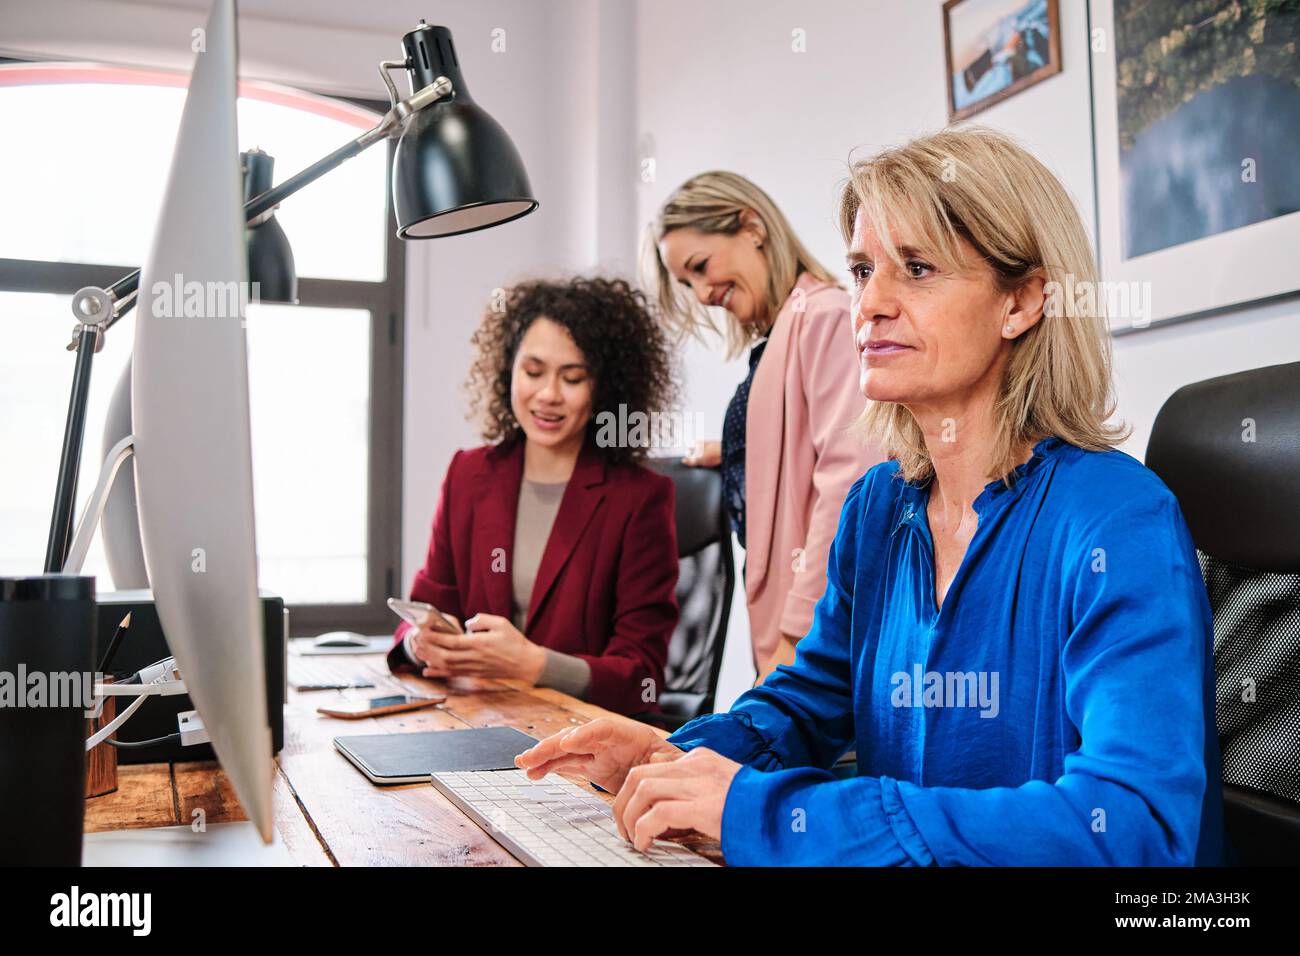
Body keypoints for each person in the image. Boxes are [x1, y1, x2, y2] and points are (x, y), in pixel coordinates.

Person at [516, 127, 1228, 865]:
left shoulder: (1120, 520)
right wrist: (673, 755)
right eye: (861, 269)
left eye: (916, 268)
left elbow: (1132, 824)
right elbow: (809, 700)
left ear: (1021, 301)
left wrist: (770, 814)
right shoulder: (879, 508)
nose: (870, 304)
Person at [388, 277, 680, 716]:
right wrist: (420, 642)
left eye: (573, 377)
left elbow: (642, 679)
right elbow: (425, 612)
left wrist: (533, 664)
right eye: (533, 371)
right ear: (509, 369)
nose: (548, 395)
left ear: (606, 388)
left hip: (574, 740)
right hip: (473, 722)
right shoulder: (468, 475)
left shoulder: (640, 498)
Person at [648, 171, 883, 681]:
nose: (702, 294)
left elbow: (848, 483)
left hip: (810, 636)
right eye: (688, 284)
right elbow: (800, 444)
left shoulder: (821, 317)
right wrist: (734, 450)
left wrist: (793, 637)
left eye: (699, 267)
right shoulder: (786, 330)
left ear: (751, 226)